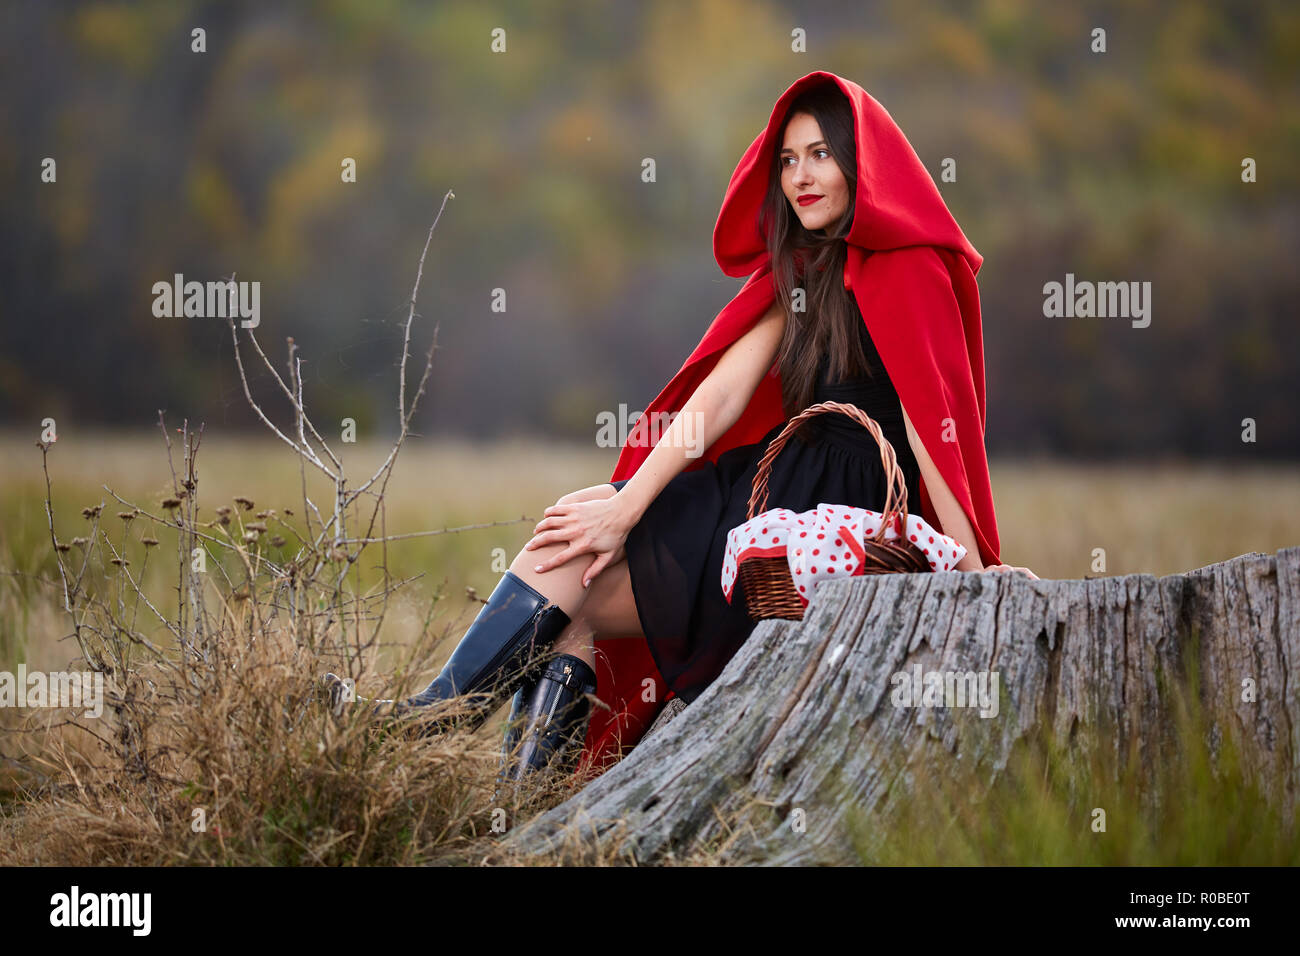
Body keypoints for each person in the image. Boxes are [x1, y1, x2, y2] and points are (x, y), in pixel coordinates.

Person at [330, 71, 1037, 795]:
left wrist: (977, 572)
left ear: (864, 162)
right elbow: (723, 394)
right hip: (770, 496)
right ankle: (498, 788)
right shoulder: (804, 270)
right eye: (787, 160)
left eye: (821, 154)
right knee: (574, 569)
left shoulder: (912, 267)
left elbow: (932, 428)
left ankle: (434, 722)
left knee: (579, 588)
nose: (800, 176)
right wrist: (625, 505)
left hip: (844, 524)